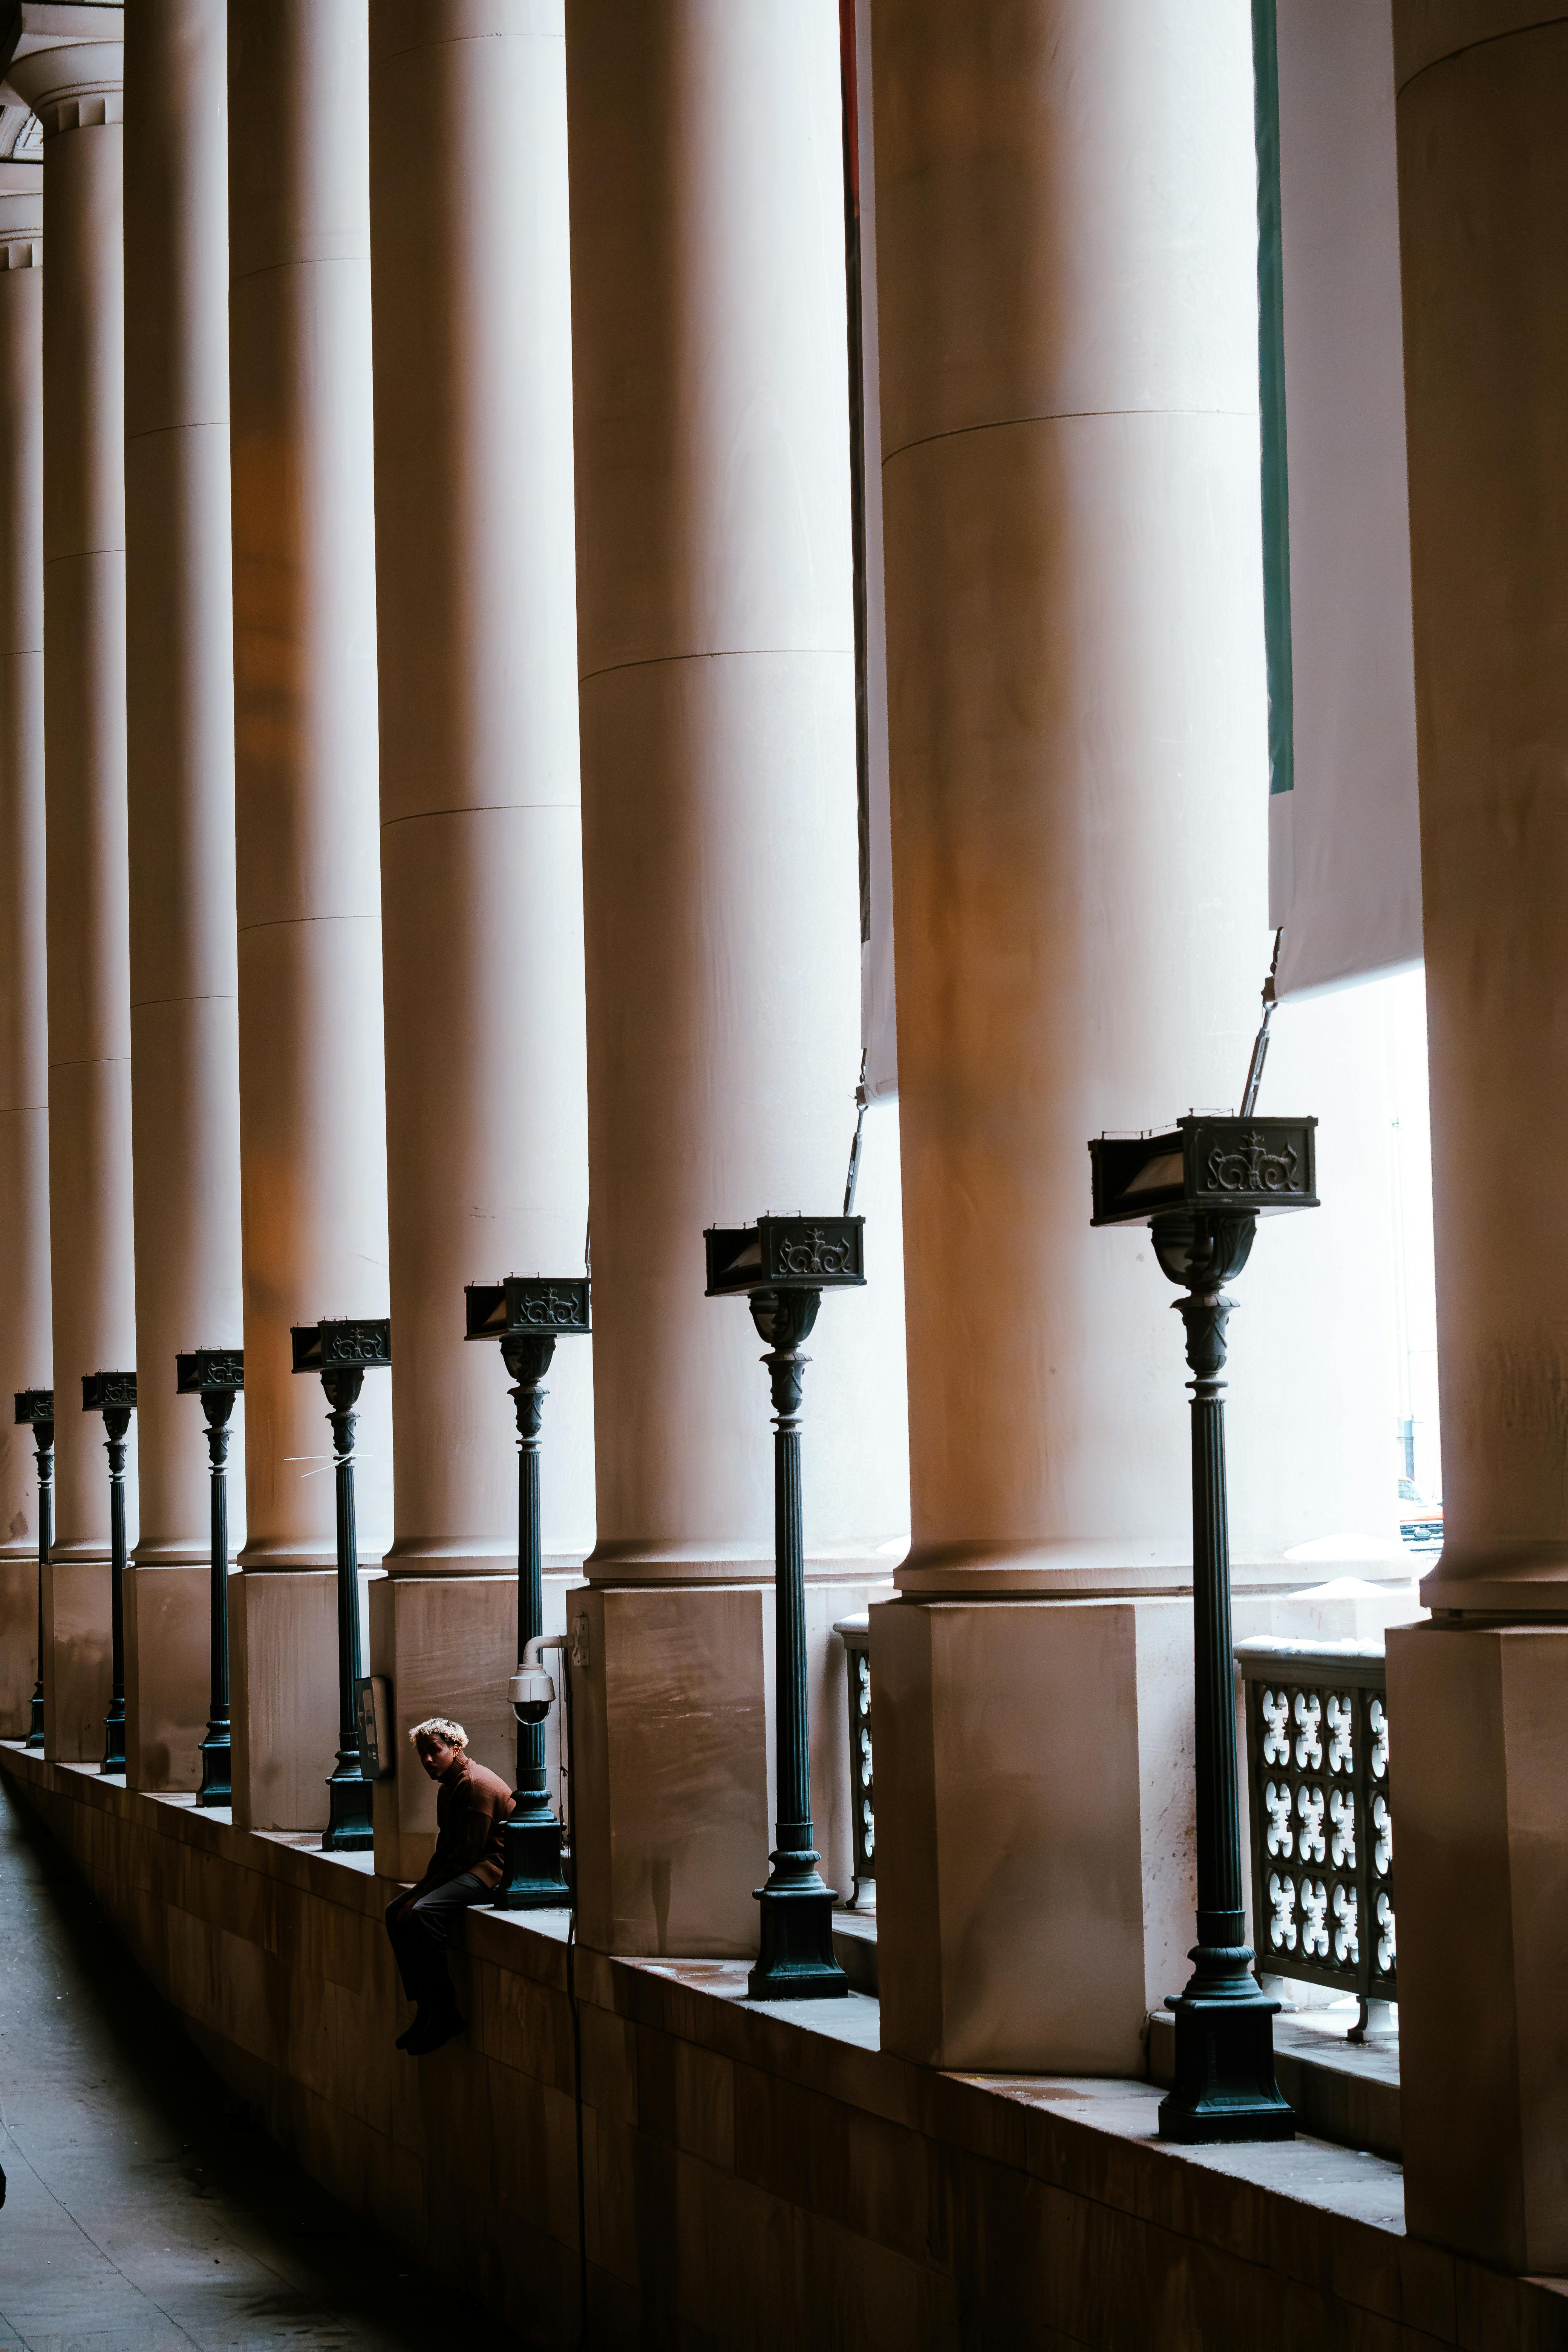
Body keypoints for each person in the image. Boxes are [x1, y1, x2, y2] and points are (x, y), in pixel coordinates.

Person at [384, 1717, 514, 2056]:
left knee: (424, 1913)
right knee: (395, 1910)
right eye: (423, 1754)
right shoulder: (450, 1784)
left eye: (435, 1751)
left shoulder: (475, 1785)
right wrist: (417, 1890)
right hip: (470, 1865)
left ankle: (445, 2015)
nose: (427, 1760)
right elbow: (446, 1850)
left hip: (492, 1871)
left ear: (456, 1748)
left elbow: (465, 1856)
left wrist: (422, 1897)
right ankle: (426, 2008)